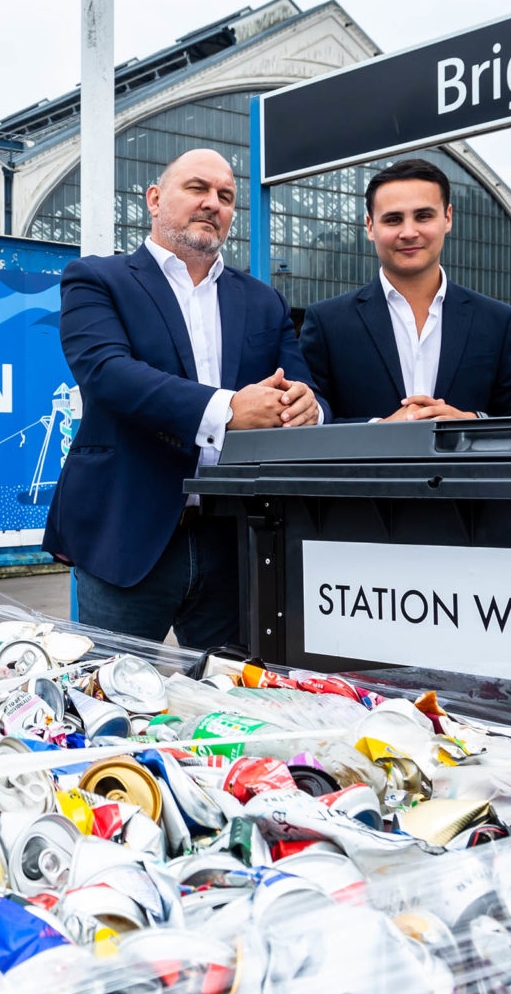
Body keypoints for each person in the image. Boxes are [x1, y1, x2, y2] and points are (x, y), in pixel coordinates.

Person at [44, 147, 321, 651]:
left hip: (236, 542)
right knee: (108, 701)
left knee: (234, 700)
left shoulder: (264, 300)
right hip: (126, 536)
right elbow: (108, 373)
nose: (212, 203)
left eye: (226, 196)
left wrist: (309, 406)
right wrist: (229, 410)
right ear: (154, 198)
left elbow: (299, 383)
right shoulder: (96, 279)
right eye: (197, 188)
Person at [298, 157, 511, 422]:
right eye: (393, 220)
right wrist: (378, 429)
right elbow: (312, 424)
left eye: (423, 216)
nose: (409, 232)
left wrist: (473, 422)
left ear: (448, 218)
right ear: (371, 227)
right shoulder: (327, 323)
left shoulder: (496, 321)